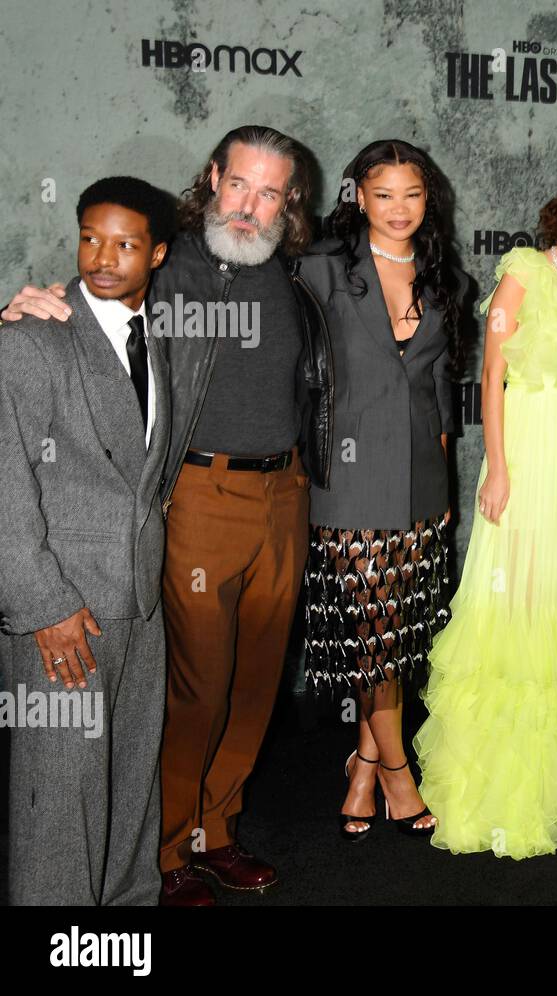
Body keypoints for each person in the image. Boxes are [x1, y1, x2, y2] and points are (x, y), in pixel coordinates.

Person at [2, 124, 334, 905]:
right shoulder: (165, 261)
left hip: (284, 496)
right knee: (194, 689)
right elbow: (84, 303)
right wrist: (22, 303)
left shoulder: (300, 272)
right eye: (239, 184)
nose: (249, 206)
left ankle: (218, 830)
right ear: (213, 178)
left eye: (269, 193)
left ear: (290, 202)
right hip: (198, 498)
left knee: (256, 686)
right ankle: (169, 847)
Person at [412, 170, 557, 858]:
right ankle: (491, 795)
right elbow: (491, 375)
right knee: (514, 614)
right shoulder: (526, 273)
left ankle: (544, 789)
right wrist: (500, 467)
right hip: (528, 459)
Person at [0, 177, 174, 904]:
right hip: (62, 608)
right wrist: (43, 606)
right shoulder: (31, 338)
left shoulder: (159, 336)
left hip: (139, 600)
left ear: (156, 254)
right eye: (90, 239)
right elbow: (6, 485)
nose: (103, 257)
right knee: (59, 806)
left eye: (125, 243)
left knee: (131, 789)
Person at [297, 140, 469, 841]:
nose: (400, 208)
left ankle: (363, 765)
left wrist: (445, 480)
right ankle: (398, 770)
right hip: (347, 476)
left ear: (430, 199)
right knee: (374, 629)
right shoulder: (320, 270)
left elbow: (440, 389)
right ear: (358, 197)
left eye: (413, 194)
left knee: (393, 631)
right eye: (384, 194)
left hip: (420, 479)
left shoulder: (445, 277)